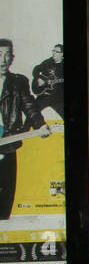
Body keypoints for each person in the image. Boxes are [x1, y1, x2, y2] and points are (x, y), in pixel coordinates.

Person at [0, 40, 44, 221]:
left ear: (12, 57)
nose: (2, 60)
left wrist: (39, 124)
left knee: (4, 201)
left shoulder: (18, 82)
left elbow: (29, 105)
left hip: (7, 145)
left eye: (7, 54)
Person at [31, 44, 64, 118]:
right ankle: (24, 129)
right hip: (44, 94)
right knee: (33, 112)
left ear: (62, 54)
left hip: (58, 97)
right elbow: (36, 69)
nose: (53, 53)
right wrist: (39, 78)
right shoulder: (48, 62)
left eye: (56, 51)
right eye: (53, 51)